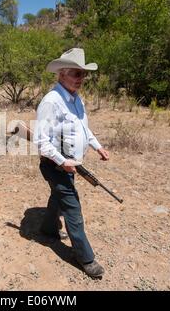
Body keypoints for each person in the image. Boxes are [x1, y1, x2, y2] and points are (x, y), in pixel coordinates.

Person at [34, 48, 110, 278]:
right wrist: (62, 161)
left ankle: (47, 230)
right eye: (76, 74)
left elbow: (83, 128)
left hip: (70, 164)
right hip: (54, 165)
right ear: (62, 74)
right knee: (73, 209)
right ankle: (85, 258)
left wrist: (97, 146)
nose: (81, 79)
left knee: (59, 196)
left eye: (83, 74)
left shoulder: (77, 100)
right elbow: (41, 141)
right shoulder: (51, 102)